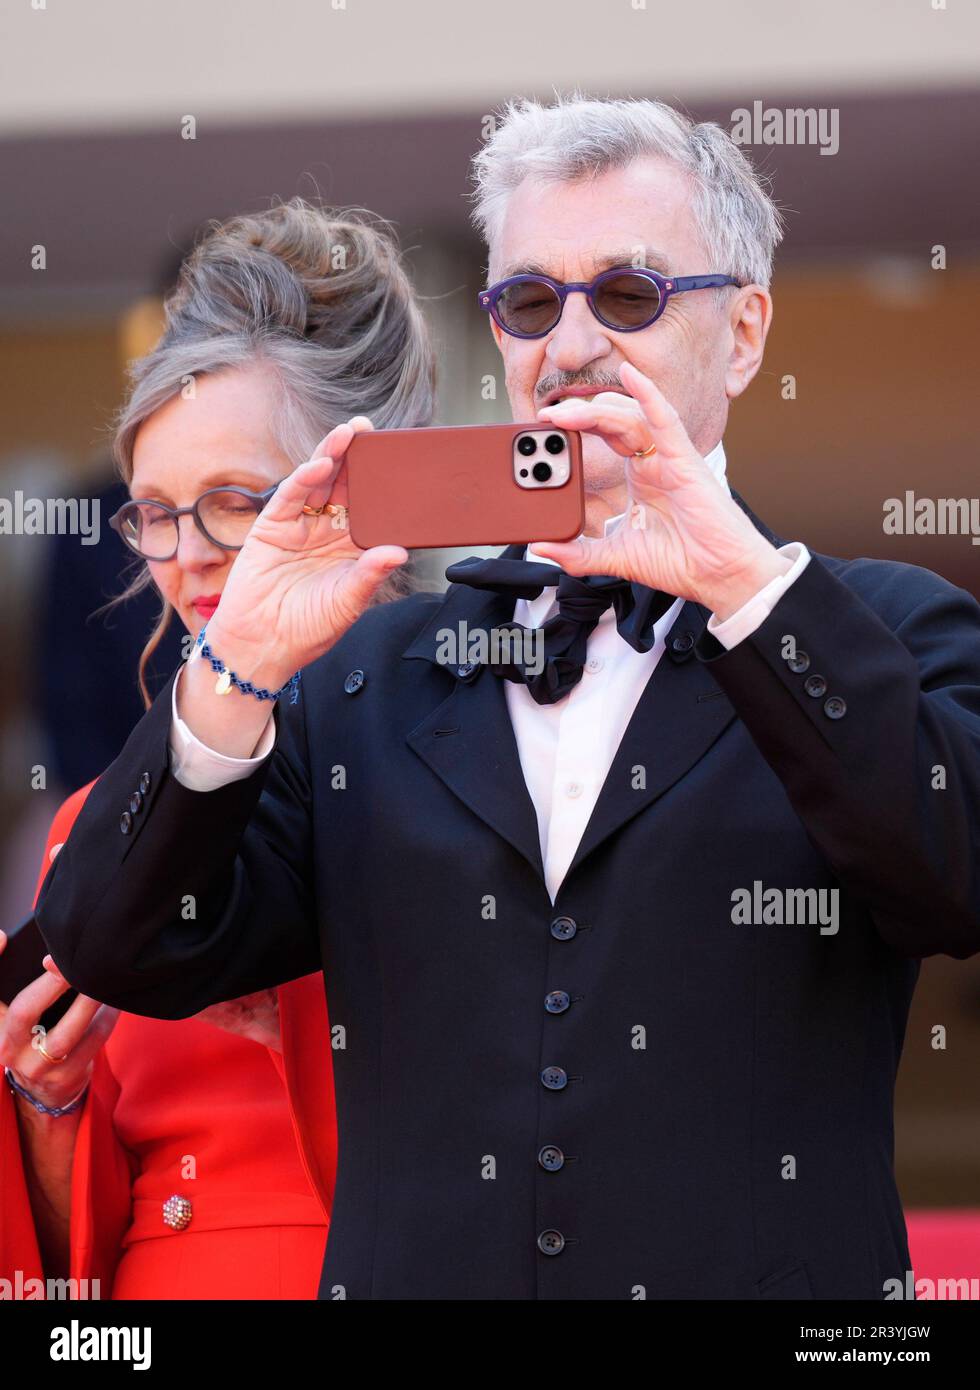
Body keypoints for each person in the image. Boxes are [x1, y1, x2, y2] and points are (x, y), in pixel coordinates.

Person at [34, 96, 980, 1301]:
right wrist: (238, 669)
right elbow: (123, 941)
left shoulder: (883, 627)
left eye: (628, 294)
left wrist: (742, 588)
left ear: (742, 333)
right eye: (531, 302)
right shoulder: (366, 682)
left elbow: (954, 878)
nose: (572, 343)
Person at [1, 198, 434, 1298]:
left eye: (236, 504)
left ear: (359, 487)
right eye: (155, 512)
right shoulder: (93, 825)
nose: (186, 558)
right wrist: (51, 1112)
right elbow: (70, 1256)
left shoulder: (472, 775)